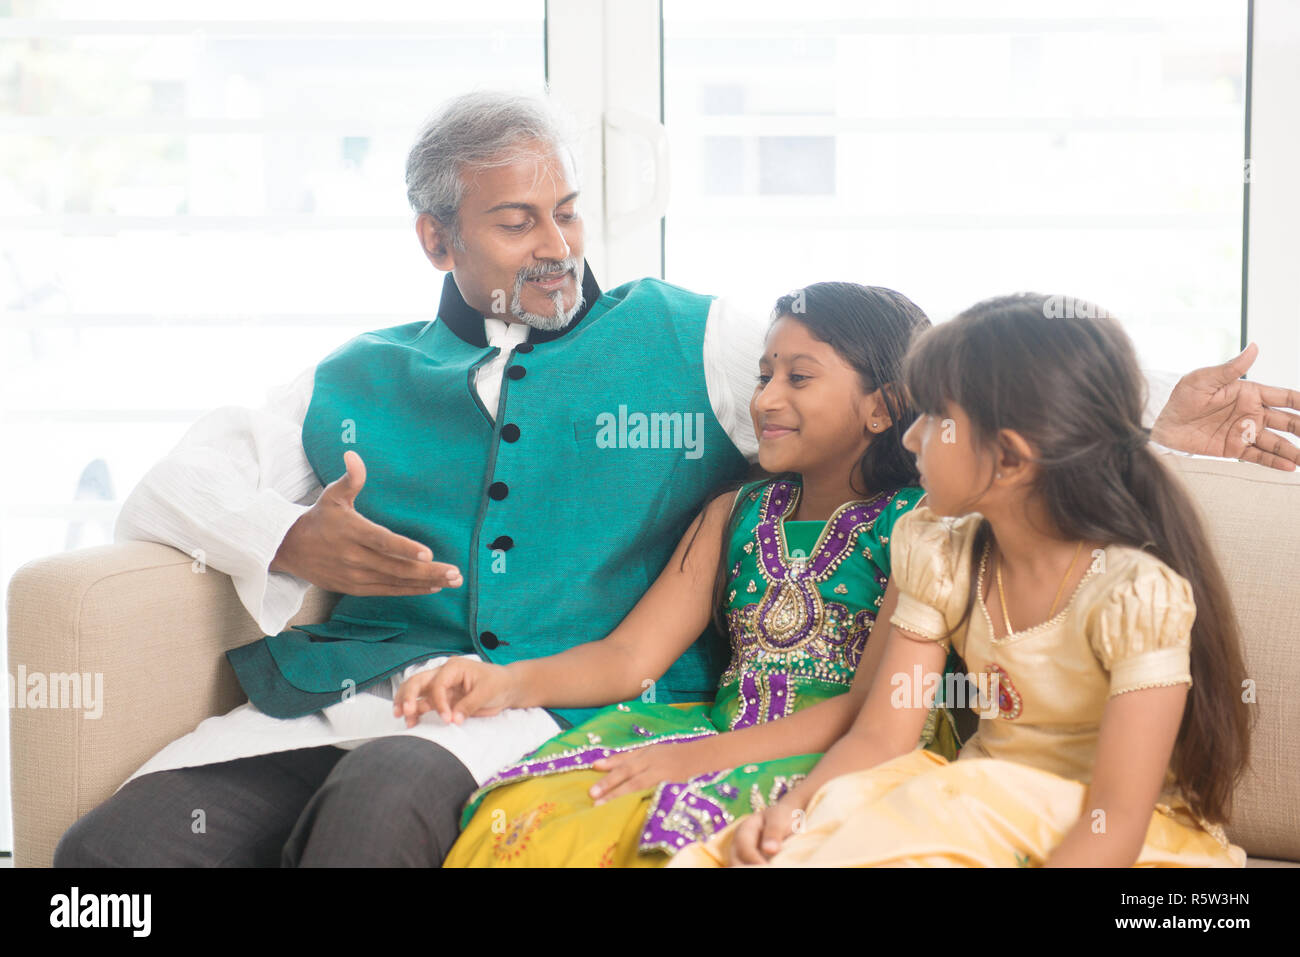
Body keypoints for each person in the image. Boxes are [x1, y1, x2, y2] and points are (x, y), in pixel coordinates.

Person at [51, 87, 1297, 869]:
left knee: (380, 810)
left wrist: (1140, 419)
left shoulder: (691, 340)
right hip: (340, 697)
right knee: (108, 860)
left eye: (568, 212)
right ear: (436, 237)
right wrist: (285, 543)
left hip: (528, 711)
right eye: (516, 222)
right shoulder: (352, 372)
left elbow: (923, 382)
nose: (559, 246)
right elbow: (173, 482)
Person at [671, 293, 1252, 868]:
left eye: (935, 418)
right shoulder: (939, 554)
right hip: (981, 805)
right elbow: (881, 738)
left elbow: (1118, 822)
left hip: (1103, 836)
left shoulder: (1135, 596)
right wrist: (796, 809)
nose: (909, 436)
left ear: (1008, 458)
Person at [396, 283, 965, 867]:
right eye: (763, 377)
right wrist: (506, 683)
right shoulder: (735, 513)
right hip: (718, 731)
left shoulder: (919, 526)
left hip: (852, 754)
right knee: (544, 811)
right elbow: (627, 658)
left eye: (799, 378)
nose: (765, 400)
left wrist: (704, 760)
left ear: (883, 406)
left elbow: (872, 708)